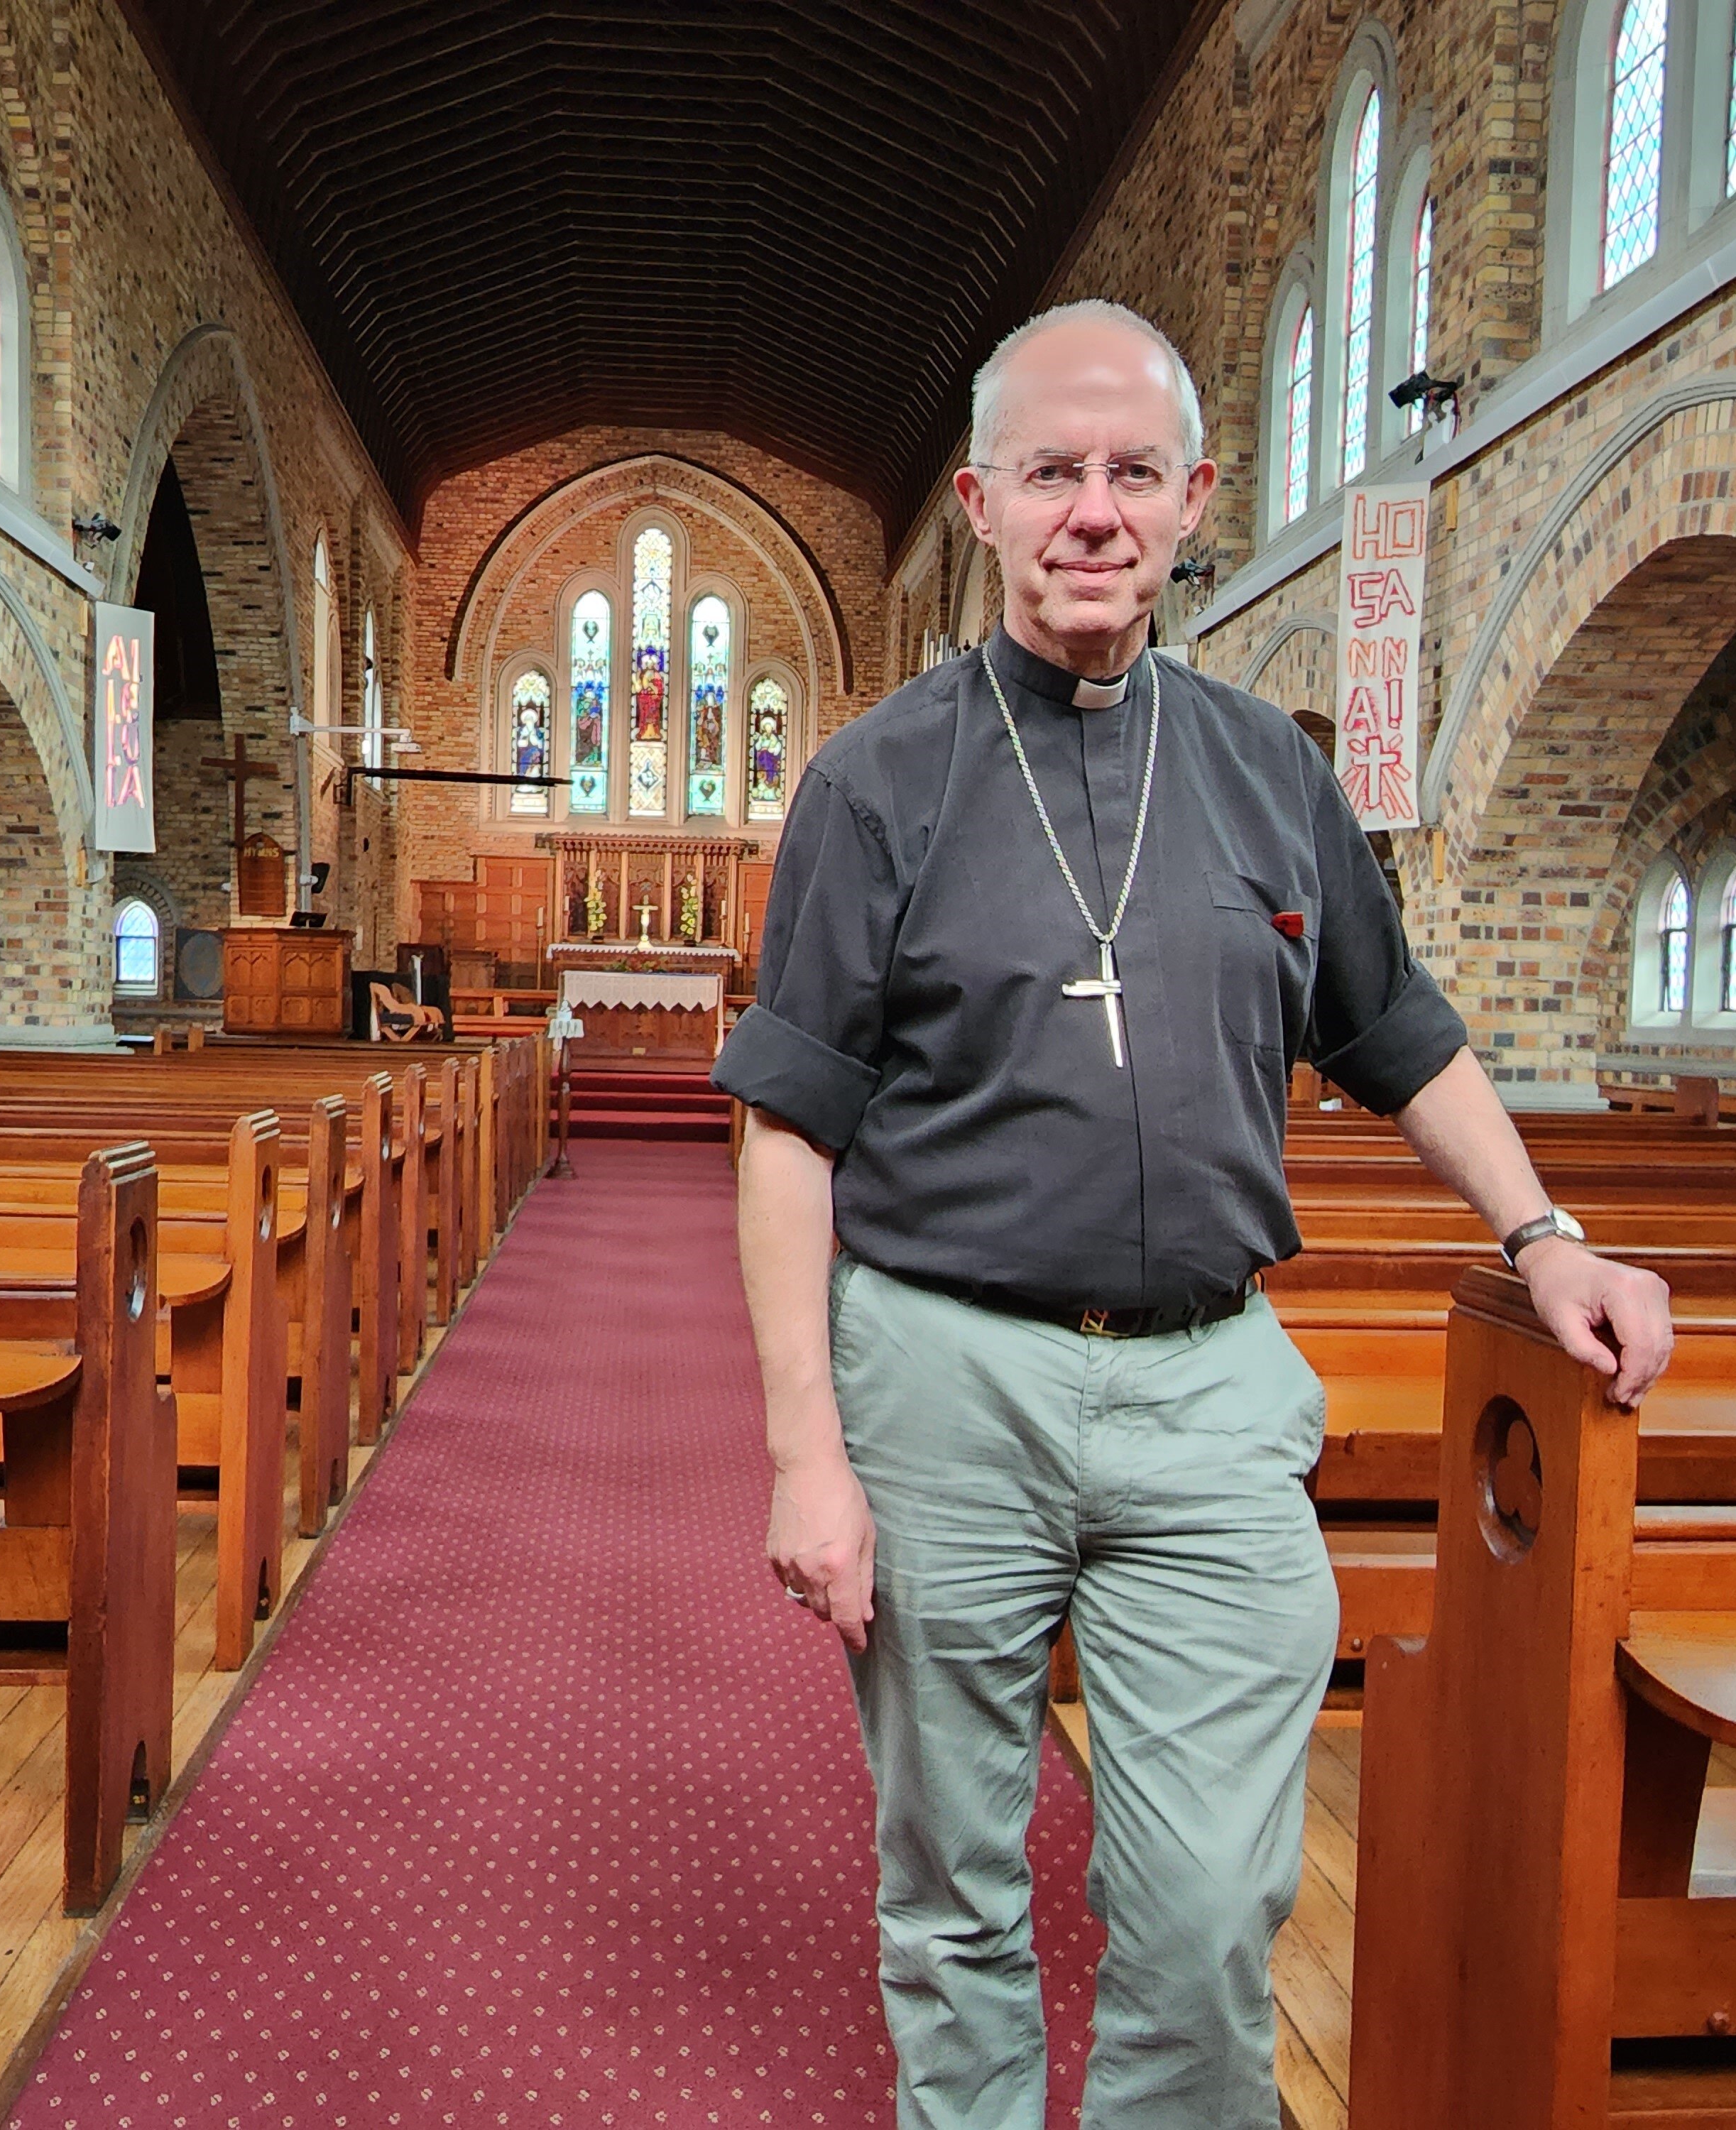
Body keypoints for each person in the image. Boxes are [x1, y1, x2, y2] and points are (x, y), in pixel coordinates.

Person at [711, 298, 1676, 2129]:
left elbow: (1404, 1038)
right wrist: (803, 1452)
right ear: (983, 500)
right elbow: (788, 1131)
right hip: (943, 1381)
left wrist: (1547, 1239)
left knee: (1214, 1903)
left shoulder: (1265, 772)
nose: (1095, 511)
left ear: (1194, 498)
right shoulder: (872, 780)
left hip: (1213, 1394)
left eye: (1133, 474)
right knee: (951, 1894)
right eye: (1055, 473)